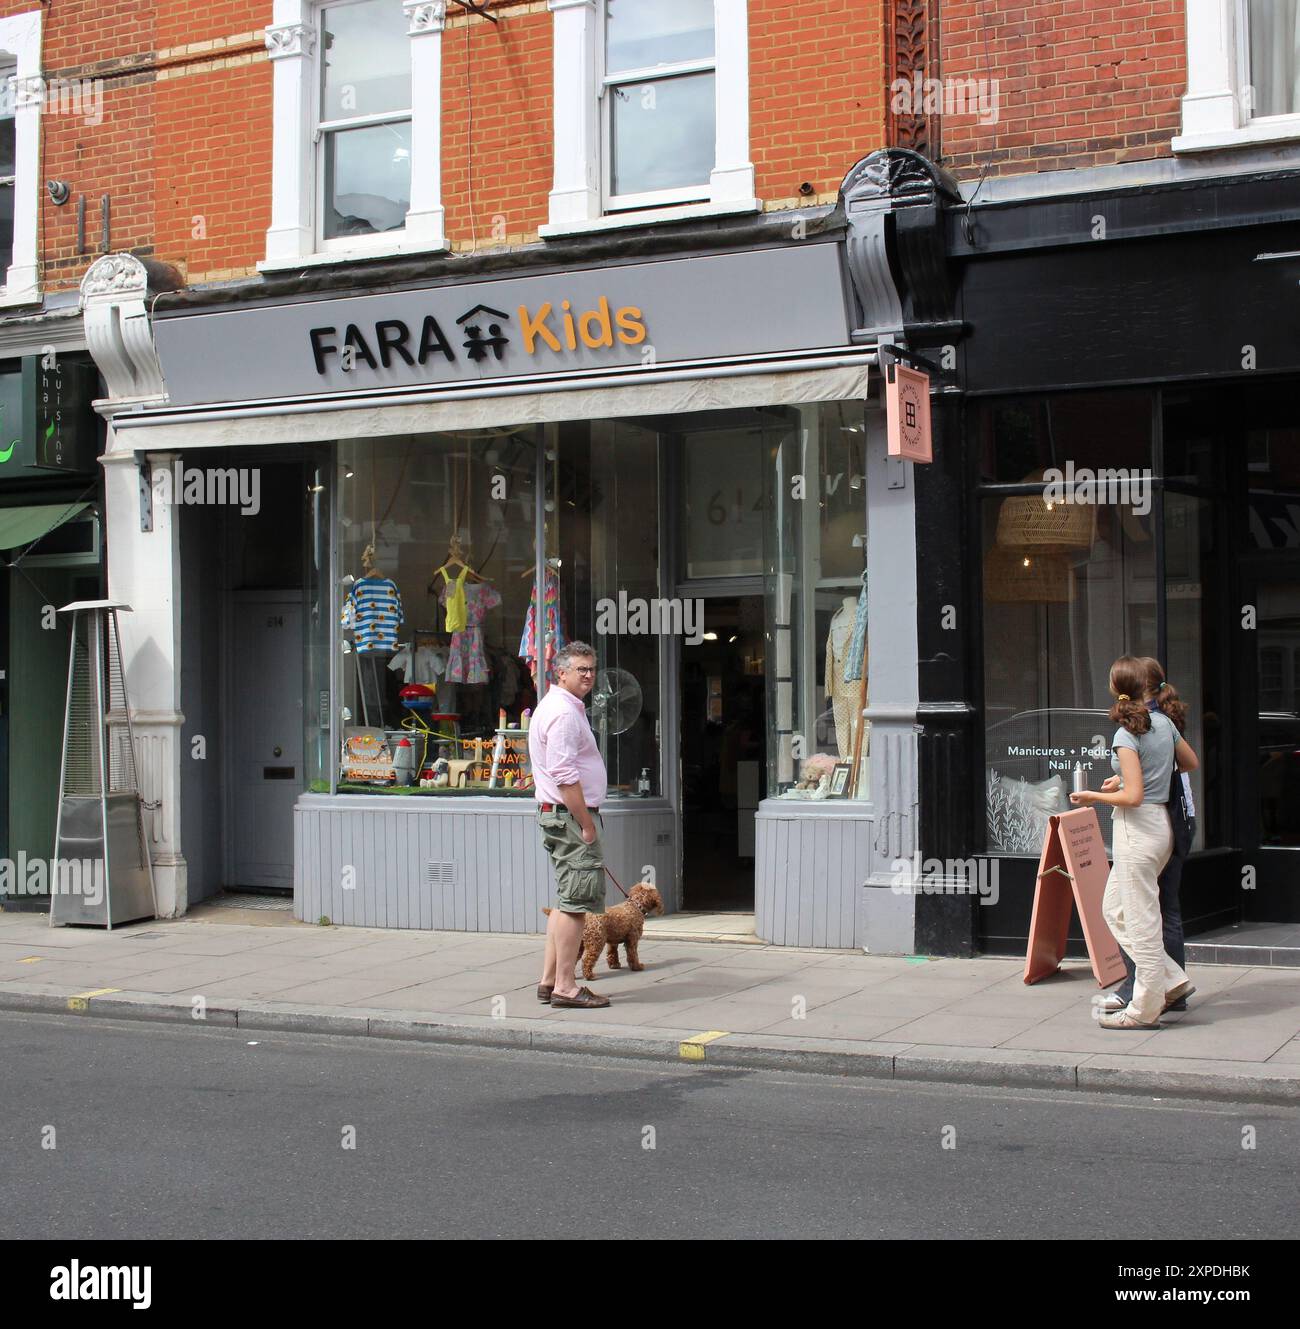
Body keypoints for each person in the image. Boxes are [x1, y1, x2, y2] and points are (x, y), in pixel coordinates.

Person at [1069, 655, 1198, 1029]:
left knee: (1141, 922)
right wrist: (1127, 781)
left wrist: (1095, 796)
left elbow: (1134, 798)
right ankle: (1172, 980)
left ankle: (1143, 1010)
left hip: (1138, 829)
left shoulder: (1127, 733)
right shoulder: (1164, 724)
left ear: (1118, 689)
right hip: (1162, 828)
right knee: (1115, 910)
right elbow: (1189, 764)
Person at [530, 640, 611, 1010]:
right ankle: (565, 986)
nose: (589, 675)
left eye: (591, 669)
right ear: (560, 672)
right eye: (581, 669)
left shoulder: (558, 706)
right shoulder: (563, 713)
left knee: (567, 902)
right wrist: (586, 824)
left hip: (560, 815)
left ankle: (549, 982)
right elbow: (564, 775)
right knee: (576, 904)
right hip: (569, 817)